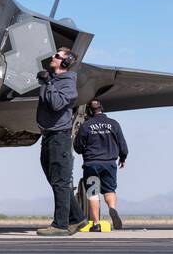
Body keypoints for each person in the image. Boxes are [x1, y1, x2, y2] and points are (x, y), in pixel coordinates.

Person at [35, 47, 86, 236]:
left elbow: (57, 104)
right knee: (55, 179)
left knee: (60, 181)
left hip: (59, 137)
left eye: (57, 56)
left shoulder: (68, 83)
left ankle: (60, 225)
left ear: (65, 62)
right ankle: (78, 218)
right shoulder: (54, 80)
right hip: (48, 136)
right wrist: (47, 81)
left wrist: (48, 83)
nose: (53, 57)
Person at [74, 99, 128, 231]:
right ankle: (112, 209)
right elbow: (123, 145)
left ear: (89, 111)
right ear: (102, 108)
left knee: (93, 193)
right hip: (109, 163)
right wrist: (123, 158)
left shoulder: (86, 126)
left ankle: (96, 223)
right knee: (109, 190)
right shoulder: (114, 124)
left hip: (92, 164)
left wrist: (82, 150)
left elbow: (78, 146)